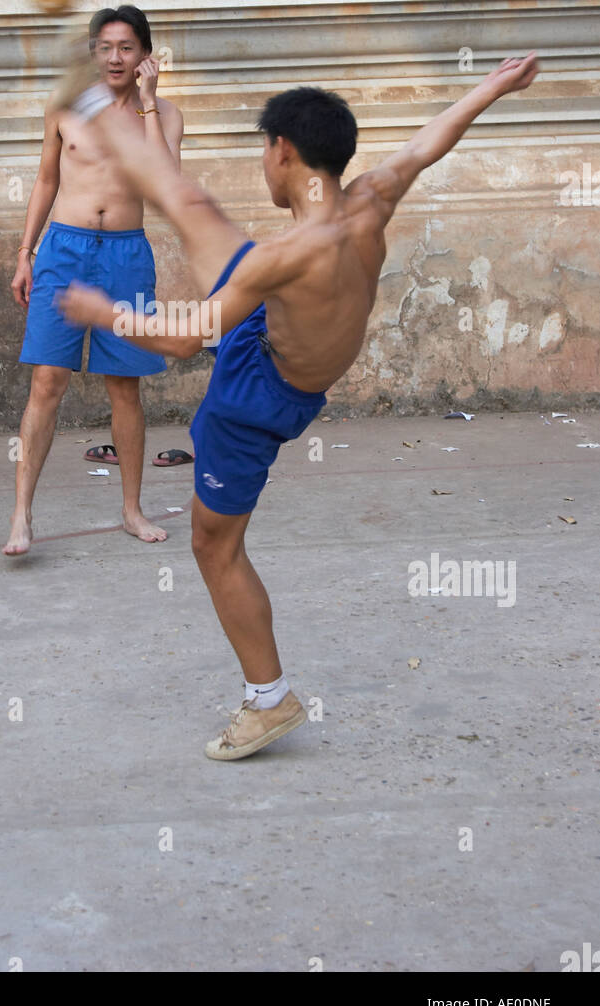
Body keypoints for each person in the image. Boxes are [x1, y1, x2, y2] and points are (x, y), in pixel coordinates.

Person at [56, 50, 539, 758]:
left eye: (263, 151)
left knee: (213, 546)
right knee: (187, 202)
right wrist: (492, 85)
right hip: (271, 336)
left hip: (258, 398)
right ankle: (99, 104)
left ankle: (268, 699)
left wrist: (103, 313)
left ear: (282, 153)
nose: (263, 163)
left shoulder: (281, 256)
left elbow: (186, 341)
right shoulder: (371, 198)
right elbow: (426, 142)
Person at [3, 5, 183, 556]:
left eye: (127, 47)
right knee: (47, 382)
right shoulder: (66, 109)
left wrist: (149, 105)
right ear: (91, 53)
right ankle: (21, 515)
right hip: (64, 250)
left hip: (126, 256)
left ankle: (132, 510)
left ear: (145, 57)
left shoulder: (166, 114)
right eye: (105, 47)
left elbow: (165, 183)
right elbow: (45, 180)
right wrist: (25, 252)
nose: (114, 57)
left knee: (124, 388)